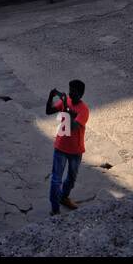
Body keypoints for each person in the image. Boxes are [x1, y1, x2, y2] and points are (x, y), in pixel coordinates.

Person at [46, 79, 90, 214]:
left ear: (81, 94)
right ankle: (55, 209)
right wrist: (50, 97)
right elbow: (48, 111)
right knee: (56, 180)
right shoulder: (67, 101)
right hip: (60, 147)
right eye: (70, 90)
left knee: (71, 178)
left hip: (76, 150)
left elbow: (73, 127)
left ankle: (64, 197)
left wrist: (65, 107)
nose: (70, 94)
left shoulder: (84, 110)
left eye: (74, 92)